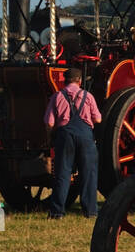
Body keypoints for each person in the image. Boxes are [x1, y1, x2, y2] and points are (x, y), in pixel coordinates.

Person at [44, 67, 102, 218]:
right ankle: (90, 211)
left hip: (64, 136)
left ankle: (57, 212)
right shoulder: (88, 96)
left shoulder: (57, 96)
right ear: (80, 81)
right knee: (88, 173)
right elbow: (98, 119)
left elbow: (49, 123)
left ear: (64, 81)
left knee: (62, 174)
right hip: (85, 136)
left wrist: (51, 138)